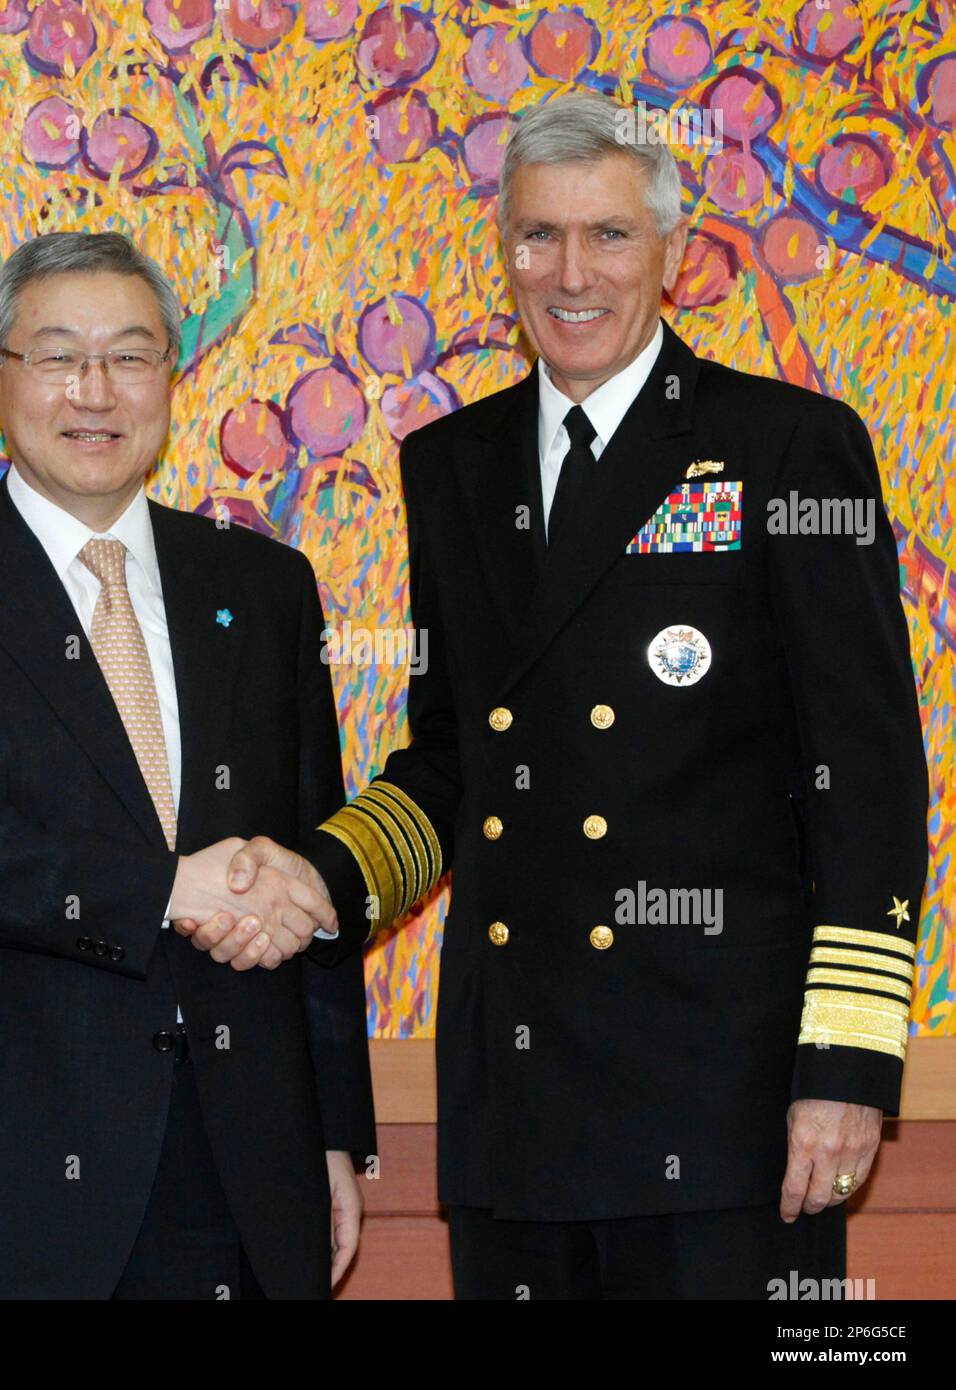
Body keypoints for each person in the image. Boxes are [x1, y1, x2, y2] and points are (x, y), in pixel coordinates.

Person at [187, 93, 931, 1299]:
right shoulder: (451, 465)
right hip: (518, 1097)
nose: (569, 272)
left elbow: (870, 776)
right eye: (538, 236)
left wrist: (846, 1066)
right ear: (506, 250)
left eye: (609, 236)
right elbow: (453, 759)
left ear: (673, 255)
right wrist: (319, 878)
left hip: (728, 1104)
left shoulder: (787, 447)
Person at [0, 231, 375, 1300]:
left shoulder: (263, 586)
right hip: (9, 1168)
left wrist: (336, 1132)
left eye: (130, 354)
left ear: (170, 374)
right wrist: (173, 887)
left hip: (245, 1166)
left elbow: (311, 864)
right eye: (58, 354)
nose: (95, 390)